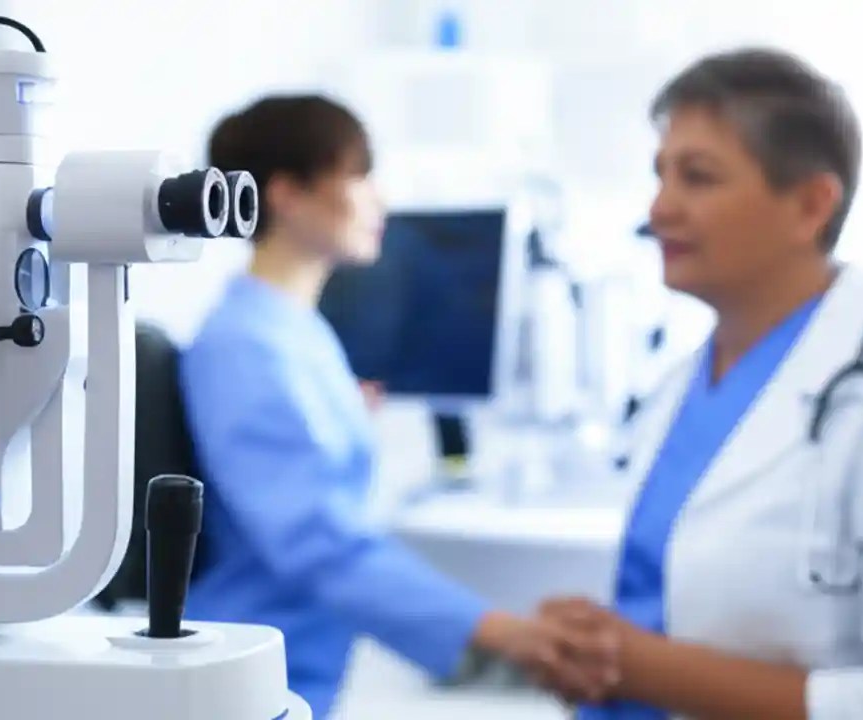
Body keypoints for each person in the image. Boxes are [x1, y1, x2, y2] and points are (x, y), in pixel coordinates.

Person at [532, 47, 863, 719]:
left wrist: (638, 664)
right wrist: (592, 648)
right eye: (660, 176)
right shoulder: (685, 384)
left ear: (811, 204)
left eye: (699, 178)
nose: (659, 209)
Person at [180, 96, 607, 717]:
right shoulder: (246, 346)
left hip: (304, 663)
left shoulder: (296, 332)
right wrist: (501, 632)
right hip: (256, 672)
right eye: (358, 175)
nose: (378, 199)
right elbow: (320, 542)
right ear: (287, 194)